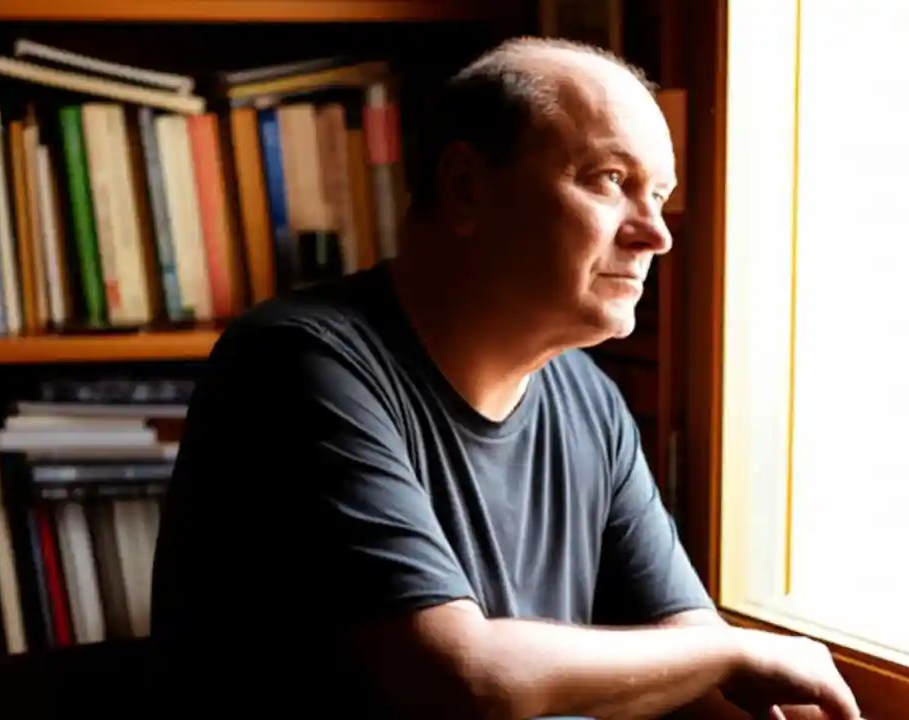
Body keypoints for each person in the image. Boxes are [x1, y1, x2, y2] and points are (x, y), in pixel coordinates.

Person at [149, 36, 863, 720]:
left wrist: (750, 671)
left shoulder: (588, 398)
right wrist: (736, 650)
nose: (657, 233)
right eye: (612, 181)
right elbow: (463, 683)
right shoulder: (299, 364)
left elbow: (694, 663)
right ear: (466, 189)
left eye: (659, 193)